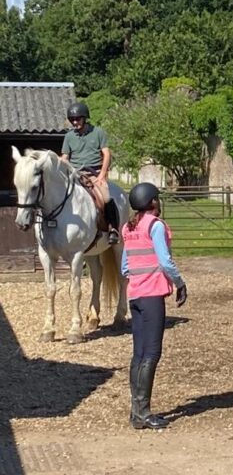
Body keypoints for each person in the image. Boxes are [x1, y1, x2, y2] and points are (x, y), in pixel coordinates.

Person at [121, 182, 188, 430]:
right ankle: (143, 412)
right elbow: (165, 261)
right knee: (151, 352)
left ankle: (136, 410)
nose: (159, 202)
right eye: (157, 199)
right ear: (151, 202)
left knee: (138, 353)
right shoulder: (155, 226)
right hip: (152, 296)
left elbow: (125, 268)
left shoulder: (129, 227)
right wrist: (180, 283)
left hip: (135, 295)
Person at [60, 102, 120, 245]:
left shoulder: (98, 132)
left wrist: (101, 175)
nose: (75, 122)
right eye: (72, 120)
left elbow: (106, 154)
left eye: (77, 119)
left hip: (94, 172)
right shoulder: (69, 136)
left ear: (85, 118)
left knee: (105, 197)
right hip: (75, 173)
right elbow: (65, 157)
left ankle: (113, 229)